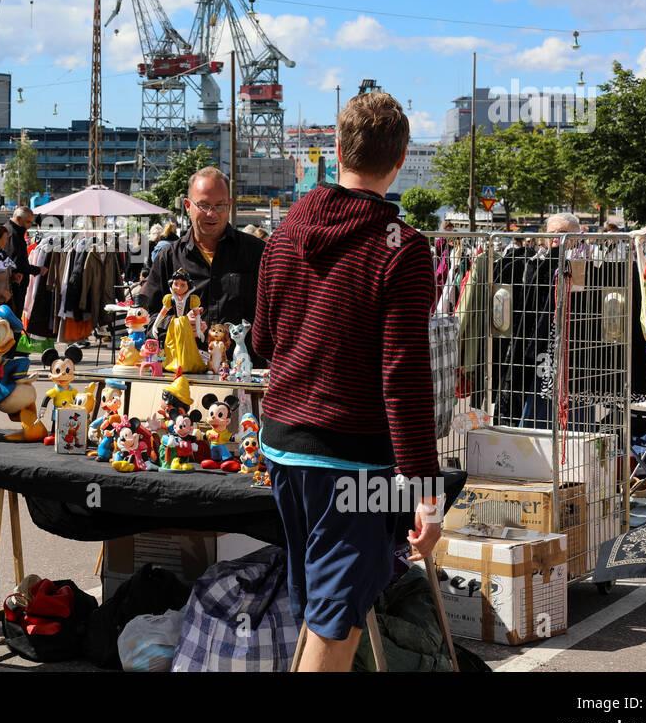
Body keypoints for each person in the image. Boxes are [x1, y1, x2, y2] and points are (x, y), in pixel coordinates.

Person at [251, 91, 441, 672]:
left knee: (321, 607)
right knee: (337, 624)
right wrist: (426, 492)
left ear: (335, 151)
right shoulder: (402, 250)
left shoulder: (285, 232)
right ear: (402, 157)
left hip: (284, 444)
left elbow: (261, 341)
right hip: (352, 459)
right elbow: (403, 378)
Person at [139, 167, 266, 359]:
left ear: (229, 206)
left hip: (244, 374)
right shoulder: (168, 258)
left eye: (219, 205)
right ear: (188, 206)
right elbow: (144, 317)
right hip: (184, 376)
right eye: (204, 205)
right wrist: (176, 324)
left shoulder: (258, 253)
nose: (211, 214)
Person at [5, 206, 46, 316]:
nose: (29, 226)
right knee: (13, 320)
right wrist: (38, 270)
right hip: (15, 285)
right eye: (28, 222)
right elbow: (17, 262)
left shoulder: (11, 230)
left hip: (14, 282)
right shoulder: (13, 234)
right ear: (18, 219)